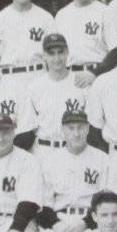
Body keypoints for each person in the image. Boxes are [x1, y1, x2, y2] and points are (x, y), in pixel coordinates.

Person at [28, 109, 110, 232]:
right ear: (62, 130)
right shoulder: (49, 160)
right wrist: (56, 225)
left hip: (91, 222)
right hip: (59, 221)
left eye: (80, 127)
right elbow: (43, 203)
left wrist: (85, 223)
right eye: (71, 128)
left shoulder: (102, 159)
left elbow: (107, 200)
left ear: (88, 129)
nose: (76, 133)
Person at [53, 0, 117, 88]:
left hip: (99, 75)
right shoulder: (61, 15)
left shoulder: (106, 12)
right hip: (70, 76)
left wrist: (95, 73)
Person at [25, 33, 90, 164]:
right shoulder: (34, 87)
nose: (57, 58)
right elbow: (29, 128)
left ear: (67, 52)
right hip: (44, 150)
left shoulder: (80, 83)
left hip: (74, 150)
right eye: (51, 53)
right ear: (44, 55)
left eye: (61, 52)